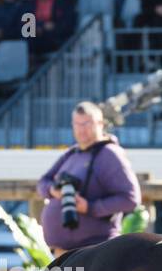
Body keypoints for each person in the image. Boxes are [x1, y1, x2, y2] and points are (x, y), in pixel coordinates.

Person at [35, 102, 141, 256]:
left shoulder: (110, 154)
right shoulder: (73, 152)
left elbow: (131, 199)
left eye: (86, 123)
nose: (81, 129)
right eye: (77, 124)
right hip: (62, 255)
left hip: (94, 256)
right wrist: (54, 191)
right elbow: (43, 182)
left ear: (100, 124)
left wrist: (90, 207)